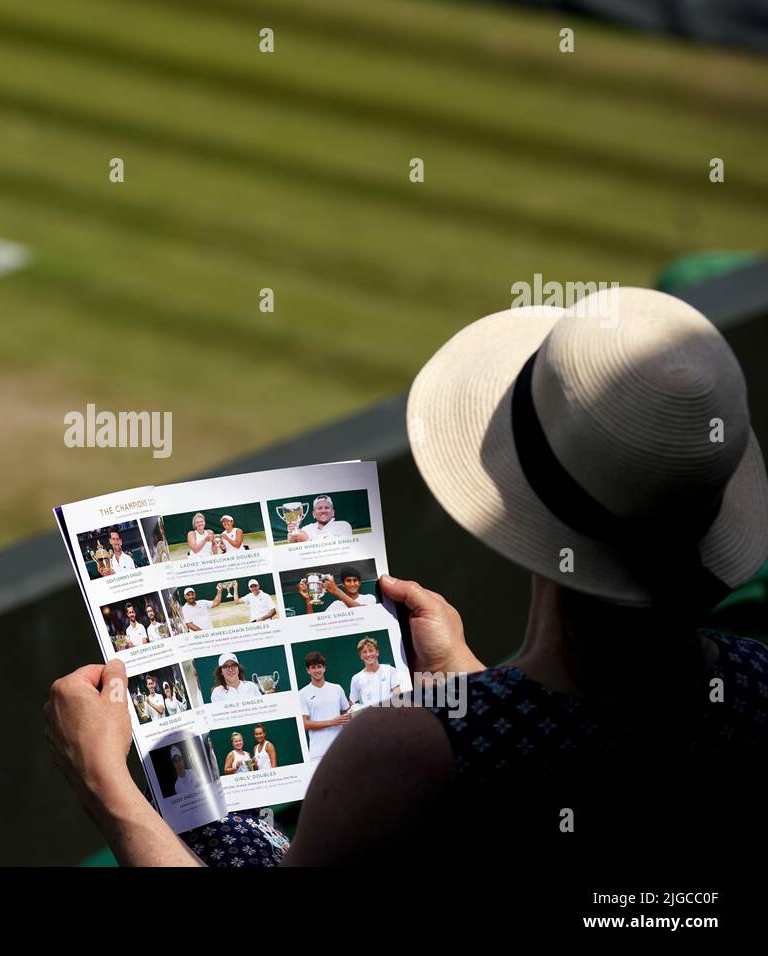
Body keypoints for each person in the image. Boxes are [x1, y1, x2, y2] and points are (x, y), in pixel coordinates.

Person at [44, 288, 768, 881]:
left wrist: (105, 786)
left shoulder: (408, 752)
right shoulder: (758, 685)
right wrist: (462, 679)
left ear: (520, 503)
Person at [299, 651, 352, 761]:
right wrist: (332, 722)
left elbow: (348, 712)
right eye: (313, 667)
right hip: (317, 753)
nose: (317, 670)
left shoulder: (337, 688)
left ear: (324, 668)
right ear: (308, 670)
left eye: (319, 666)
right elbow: (304, 724)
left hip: (340, 748)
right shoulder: (302, 694)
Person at [347, 637, 401, 707]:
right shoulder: (356, 678)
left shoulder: (390, 670)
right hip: (371, 716)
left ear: (377, 652)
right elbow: (352, 702)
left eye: (371, 650)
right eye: (364, 652)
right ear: (361, 656)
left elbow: (397, 693)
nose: (368, 654)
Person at [288, 495, 353, 542]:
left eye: (327, 507)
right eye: (319, 508)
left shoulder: (343, 526)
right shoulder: (306, 529)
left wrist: (307, 540)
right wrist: (292, 538)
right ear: (313, 514)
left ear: (333, 512)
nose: (323, 511)